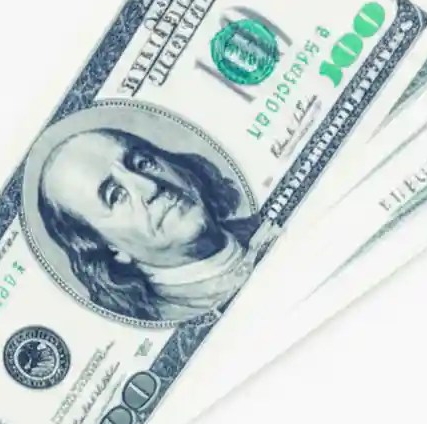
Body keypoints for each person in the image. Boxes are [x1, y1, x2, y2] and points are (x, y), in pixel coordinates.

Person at [35, 128, 266, 322]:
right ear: (109, 248)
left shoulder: (269, 224)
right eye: (116, 196)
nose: (151, 188)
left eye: (142, 163)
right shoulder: (164, 320)